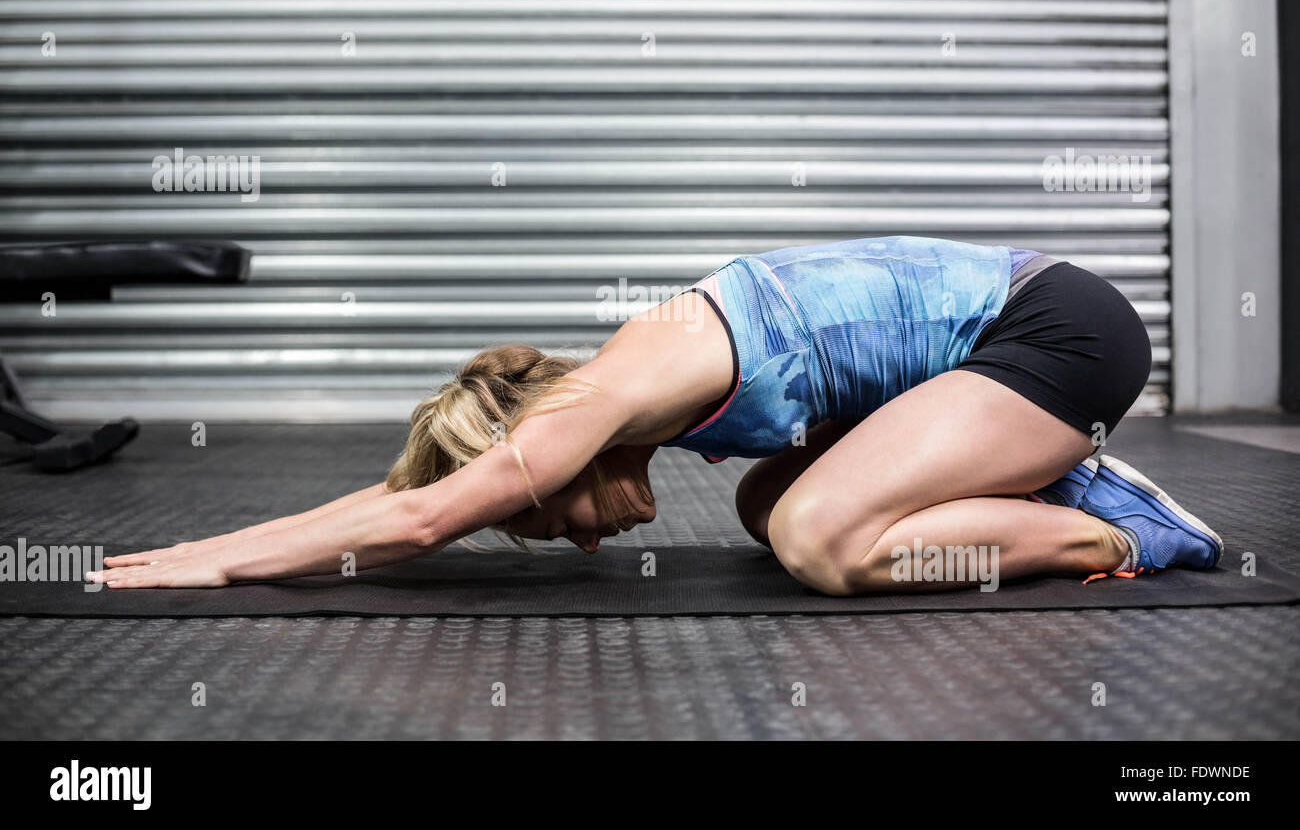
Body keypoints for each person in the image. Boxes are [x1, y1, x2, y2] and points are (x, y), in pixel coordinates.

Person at [87, 236, 1222, 595]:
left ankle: (1115, 526)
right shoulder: (611, 391)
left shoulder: (601, 393)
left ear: (538, 445)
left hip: (1053, 330)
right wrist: (237, 538)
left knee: (820, 536)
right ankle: (1042, 475)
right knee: (766, 498)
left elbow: (428, 521)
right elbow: (410, 497)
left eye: (550, 512)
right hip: (1004, 347)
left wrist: (220, 557)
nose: (585, 535)